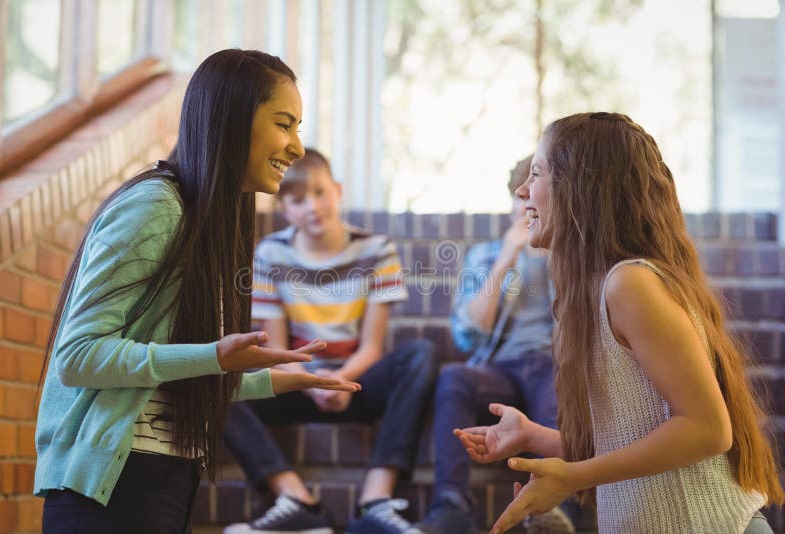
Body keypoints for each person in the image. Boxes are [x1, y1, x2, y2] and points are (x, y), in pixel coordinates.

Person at [34, 49, 361, 534]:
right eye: (284, 124)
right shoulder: (156, 206)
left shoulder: (209, 225)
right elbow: (79, 356)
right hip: (112, 488)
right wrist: (213, 356)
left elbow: (180, 372)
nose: (296, 147)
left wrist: (276, 379)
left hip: (166, 478)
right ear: (232, 119)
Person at [456, 112, 784, 534]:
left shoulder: (630, 283)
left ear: (578, 187)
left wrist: (572, 477)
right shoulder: (600, 291)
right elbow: (638, 444)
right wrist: (534, 436)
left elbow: (707, 429)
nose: (522, 191)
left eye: (536, 174)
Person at [223, 148, 439, 534]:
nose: (313, 206)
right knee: (217, 379)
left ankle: (375, 500)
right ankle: (296, 500)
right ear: (283, 207)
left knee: (420, 354)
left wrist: (338, 381)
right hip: (296, 382)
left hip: (355, 380)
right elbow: (277, 350)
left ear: (338, 191)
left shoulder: (377, 249)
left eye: (321, 192)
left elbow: (373, 347)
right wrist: (313, 385)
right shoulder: (271, 253)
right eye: (298, 199)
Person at [407, 156, 574, 534]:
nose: (529, 206)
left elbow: (581, 333)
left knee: (556, 388)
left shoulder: (571, 255)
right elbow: (467, 336)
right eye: (522, 197)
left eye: (539, 197)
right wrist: (506, 258)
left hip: (553, 365)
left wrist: (555, 254)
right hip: (500, 369)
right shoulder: (484, 255)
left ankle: (557, 509)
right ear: (513, 202)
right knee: (453, 377)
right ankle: (451, 507)